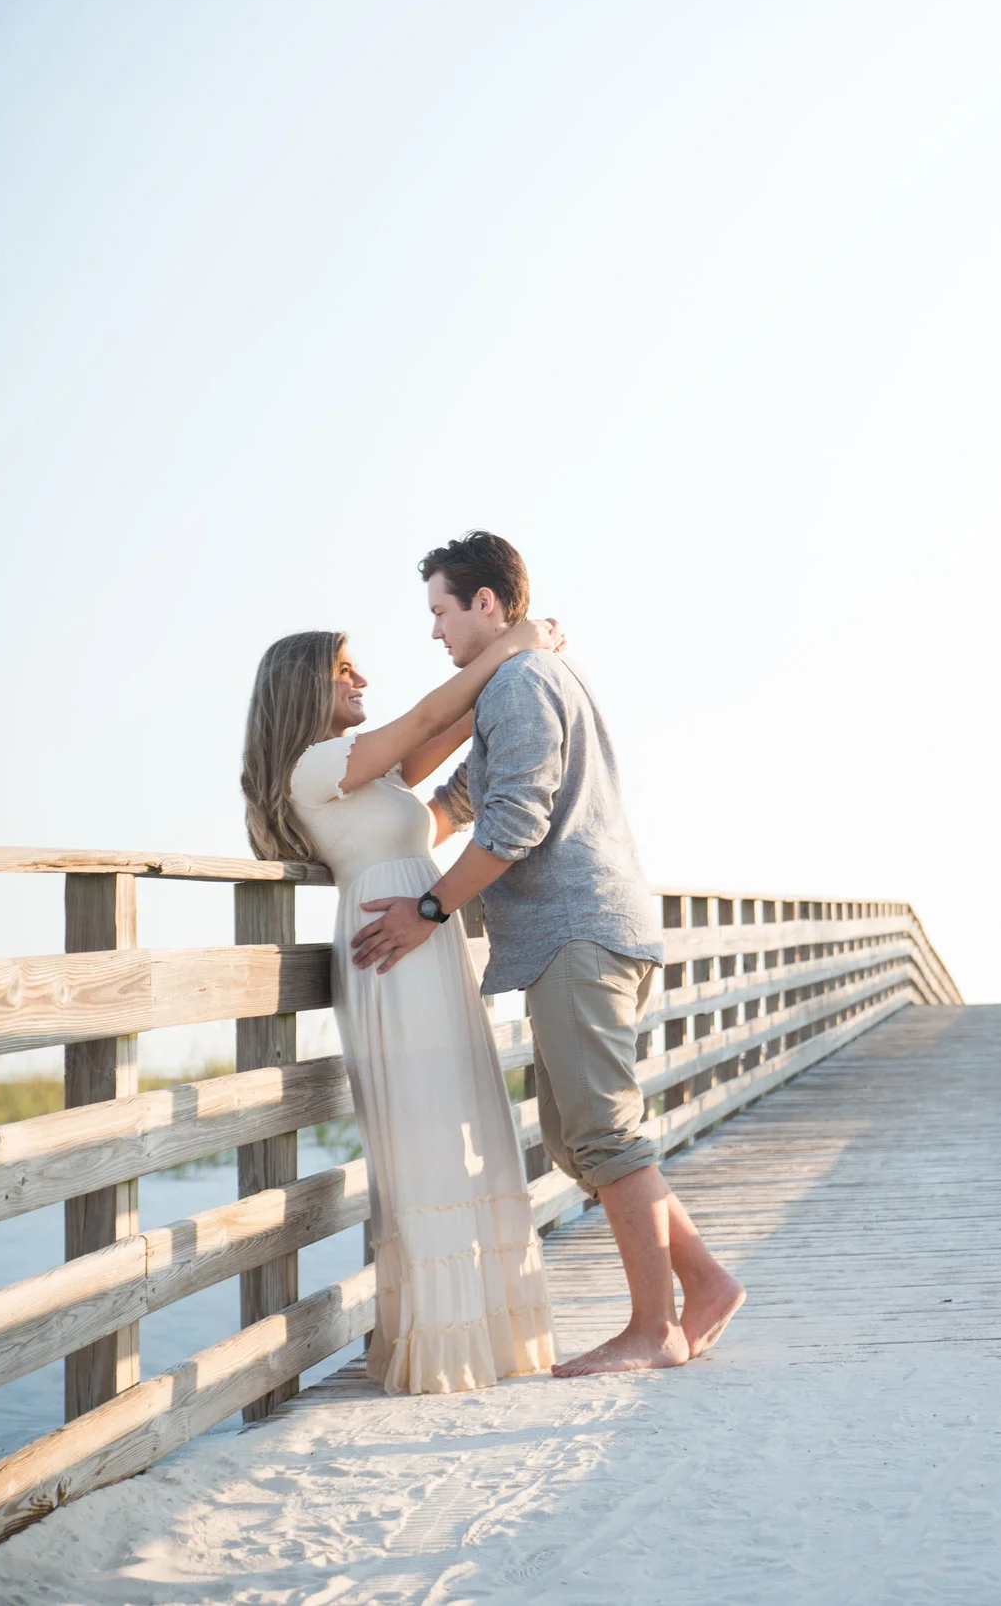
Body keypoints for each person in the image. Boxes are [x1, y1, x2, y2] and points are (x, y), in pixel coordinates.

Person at [351, 531, 743, 1376]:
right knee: (578, 1140)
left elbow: (516, 821)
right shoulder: (525, 679)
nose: (434, 631)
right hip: (582, 930)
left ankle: (654, 1327)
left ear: (486, 603)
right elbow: (466, 797)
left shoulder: (521, 682)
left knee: (603, 1131)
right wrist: (377, 837)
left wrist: (428, 909)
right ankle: (707, 1284)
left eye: (441, 611)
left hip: (576, 930)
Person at [240, 614, 561, 1394]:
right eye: (344, 669)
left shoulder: (369, 775)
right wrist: (512, 644)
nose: (361, 680)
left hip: (422, 937)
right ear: (303, 687)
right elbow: (425, 717)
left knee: (455, 1118)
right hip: (392, 949)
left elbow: (446, 744)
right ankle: (441, 1341)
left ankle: (479, 1329)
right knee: (426, 1129)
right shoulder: (317, 764)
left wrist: (511, 678)